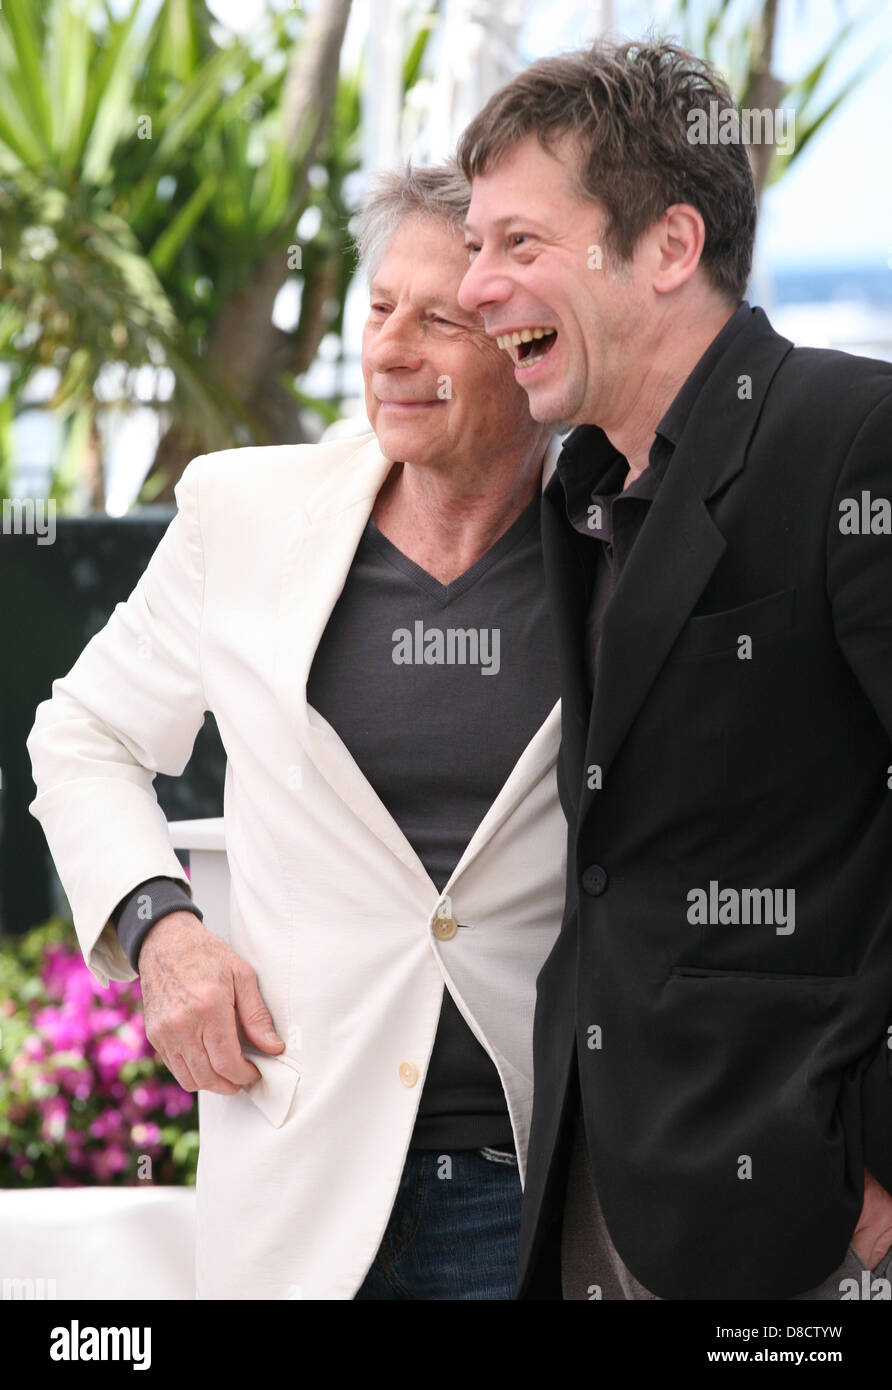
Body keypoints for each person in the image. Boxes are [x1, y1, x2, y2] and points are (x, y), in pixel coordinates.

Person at [26, 162, 566, 1300]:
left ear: (524, 344)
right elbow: (83, 736)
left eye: (438, 320)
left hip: (545, 1188)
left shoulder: (627, 539)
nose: (388, 350)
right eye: (379, 309)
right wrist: (159, 928)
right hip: (299, 1189)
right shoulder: (245, 512)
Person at [456, 38, 892, 1301]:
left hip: (800, 1221)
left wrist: (877, 1164)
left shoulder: (851, 437)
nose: (481, 287)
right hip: (601, 1191)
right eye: (476, 245)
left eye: (518, 244)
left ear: (667, 248)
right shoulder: (579, 492)